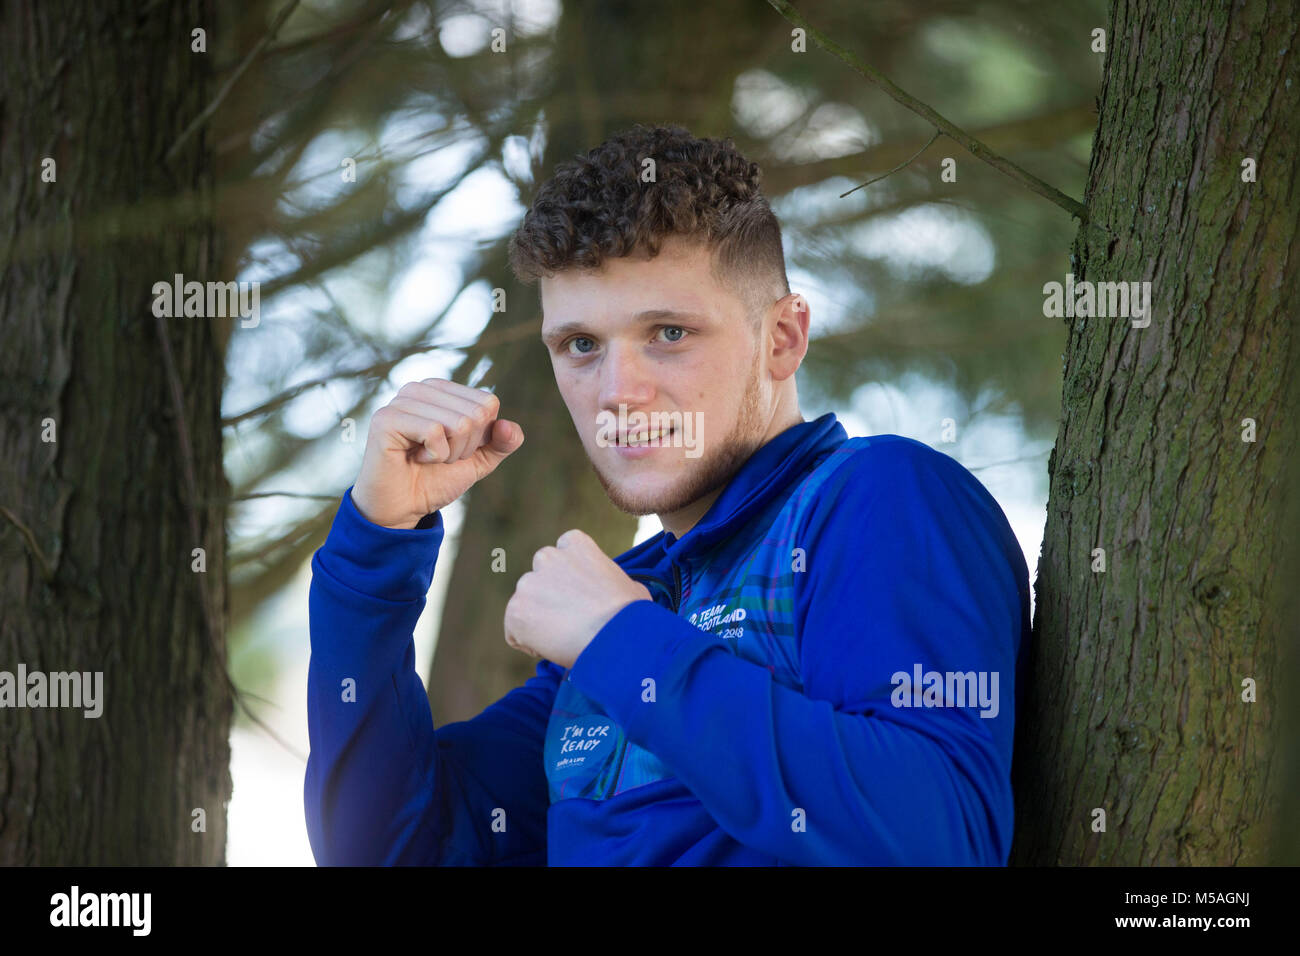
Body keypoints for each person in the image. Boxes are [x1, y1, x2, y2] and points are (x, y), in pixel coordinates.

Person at [304, 123, 1030, 865]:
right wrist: (374, 546)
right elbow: (389, 850)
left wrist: (621, 642)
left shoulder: (878, 498)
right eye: (582, 346)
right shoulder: (625, 601)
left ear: (782, 338)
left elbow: (941, 837)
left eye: (670, 333)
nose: (619, 392)